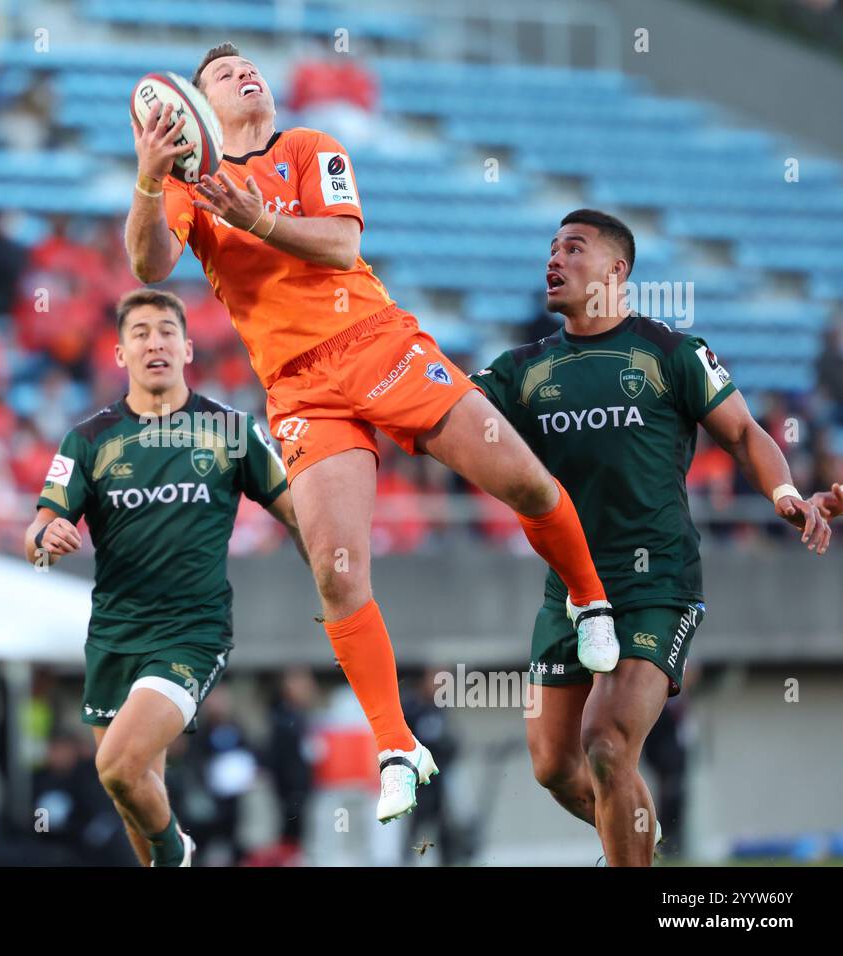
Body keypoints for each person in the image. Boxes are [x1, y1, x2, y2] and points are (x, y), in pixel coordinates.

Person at [125, 42, 620, 823]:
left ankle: (592, 601)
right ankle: (397, 746)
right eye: (223, 73)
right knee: (336, 571)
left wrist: (257, 216)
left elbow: (343, 244)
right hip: (300, 389)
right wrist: (151, 177)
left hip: (378, 345)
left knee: (524, 480)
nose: (245, 73)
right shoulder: (192, 186)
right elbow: (150, 265)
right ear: (199, 109)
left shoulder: (310, 148)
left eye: (250, 66)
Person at [471, 208, 833, 866]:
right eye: (550, 248)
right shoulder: (521, 370)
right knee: (555, 766)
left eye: (573, 249)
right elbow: (447, 412)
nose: (553, 260)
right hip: (572, 594)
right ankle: (638, 831)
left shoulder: (671, 353)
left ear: (616, 271)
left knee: (606, 744)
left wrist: (783, 493)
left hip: (657, 582)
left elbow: (747, 434)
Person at [24, 288, 307, 866]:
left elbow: (302, 515)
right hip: (112, 638)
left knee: (118, 766)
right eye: (140, 333)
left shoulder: (231, 431)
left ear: (188, 347)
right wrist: (45, 540)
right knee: (133, 791)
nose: (155, 341)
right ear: (120, 354)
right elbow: (35, 531)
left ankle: (177, 853)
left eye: (166, 331)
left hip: (191, 635)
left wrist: (339, 584)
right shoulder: (89, 439)